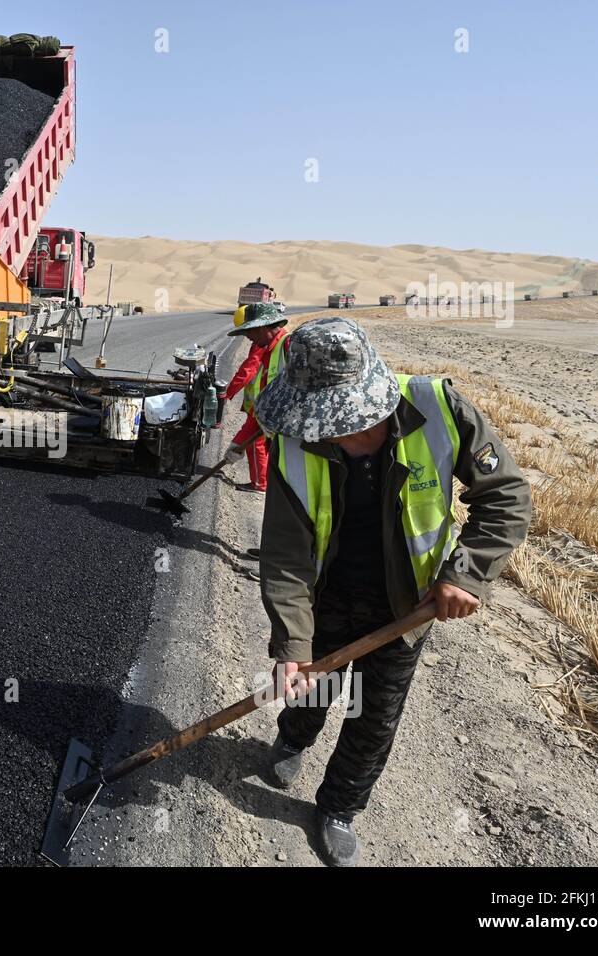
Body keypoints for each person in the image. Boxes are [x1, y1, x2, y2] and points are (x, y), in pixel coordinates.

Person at [252, 316, 531, 867]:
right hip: (328, 592)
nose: (322, 431)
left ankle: (339, 807)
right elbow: (285, 556)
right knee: (312, 683)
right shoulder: (294, 443)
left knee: (376, 716)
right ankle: (293, 738)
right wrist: (291, 644)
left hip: (409, 602)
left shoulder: (439, 409)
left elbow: (506, 496)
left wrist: (465, 574)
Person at [223, 303, 289, 493]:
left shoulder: (289, 345)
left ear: (261, 327)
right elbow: (265, 410)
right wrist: (238, 443)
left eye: (249, 332)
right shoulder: (268, 349)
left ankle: (261, 484)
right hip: (269, 421)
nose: (248, 337)